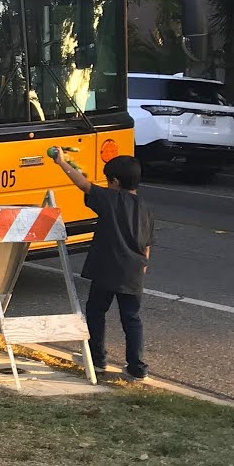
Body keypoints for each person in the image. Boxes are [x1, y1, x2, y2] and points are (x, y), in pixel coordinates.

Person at [53, 151, 154, 381]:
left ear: (115, 182)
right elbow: (147, 242)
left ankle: (97, 359)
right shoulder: (145, 207)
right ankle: (136, 368)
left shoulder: (111, 199)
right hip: (134, 268)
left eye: (109, 181)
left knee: (97, 311)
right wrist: (144, 265)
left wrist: (61, 162)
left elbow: (83, 185)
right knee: (132, 318)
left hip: (108, 267)